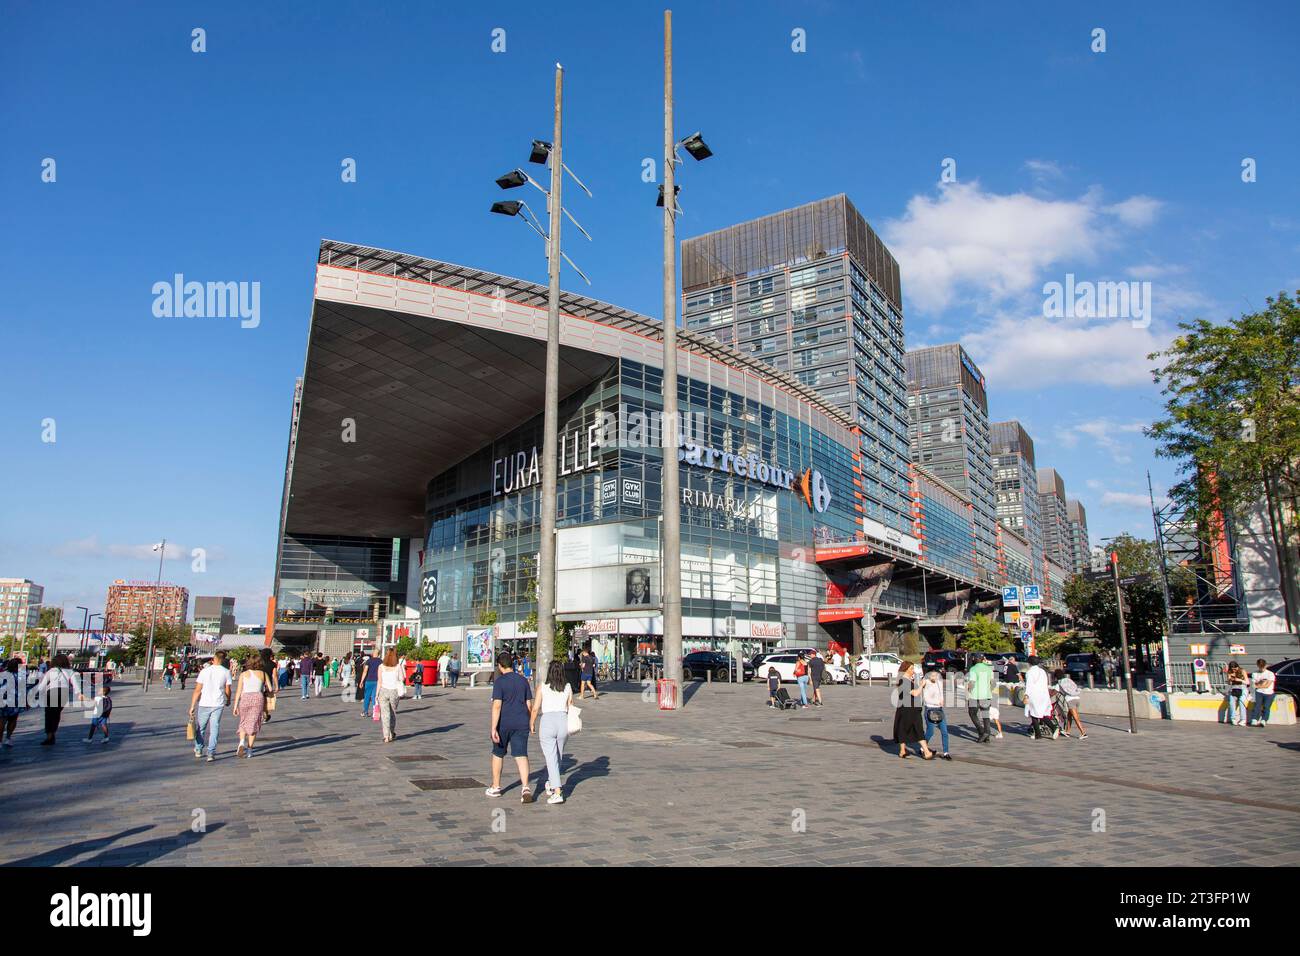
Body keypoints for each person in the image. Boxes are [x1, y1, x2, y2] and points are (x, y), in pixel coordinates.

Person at [486, 651, 534, 803]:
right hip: (521, 723)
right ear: (512, 664)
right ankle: (525, 787)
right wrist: (530, 721)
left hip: (504, 723)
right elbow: (529, 704)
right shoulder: (523, 681)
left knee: (498, 753)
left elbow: (497, 705)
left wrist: (493, 728)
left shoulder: (499, 682)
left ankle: (496, 786)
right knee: (521, 755)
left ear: (500, 666)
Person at [530, 658, 573, 804]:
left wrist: (532, 722)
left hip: (547, 722)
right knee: (558, 756)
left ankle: (558, 791)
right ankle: (551, 782)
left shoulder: (543, 686)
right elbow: (570, 705)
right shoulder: (567, 686)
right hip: (563, 721)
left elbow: (535, 707)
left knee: (551, 758)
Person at [189, 651, 232, 762]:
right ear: (223, 660)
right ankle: (211, 752)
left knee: (201, 728)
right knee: (215, 728)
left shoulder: (205, 671)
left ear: (214, 658)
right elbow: (228, 689)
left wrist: (192, 705)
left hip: (204, 703)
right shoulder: (226, 672)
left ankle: (198, 749)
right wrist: (228, 699)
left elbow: (197, 690)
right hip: (218, 703)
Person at [36, 655, 83, 746]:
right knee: (56, 714)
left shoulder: (51, 671)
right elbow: (75, 685)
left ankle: (49, 735)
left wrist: (37, 693)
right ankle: (53, 732)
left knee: (49, 714)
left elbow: (42, 685)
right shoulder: (70, 672)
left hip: (52, 693)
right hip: (64, 694)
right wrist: (79, 694)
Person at [233, 657, 272, 757]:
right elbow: (270, 688)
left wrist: (235, 705)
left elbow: (238, 691)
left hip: (245, 698)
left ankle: (241, 742)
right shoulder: (263, 674)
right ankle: (250, 749)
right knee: (254, 723)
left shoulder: (243, 674)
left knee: (244, 721)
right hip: (257, 698)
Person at [893, 661, 933, 759]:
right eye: (911, 668)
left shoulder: (908, 680)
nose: (913, 671)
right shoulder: (903, 680)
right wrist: (921, 685)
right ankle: (926, 752)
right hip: (907, 710)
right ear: (906, 669)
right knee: (914, 729)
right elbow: (915, 693)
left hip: (912, 709)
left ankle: (903, 751)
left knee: (909, 729)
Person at [964, 652, 995, 743]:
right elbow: (993, 682)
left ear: (976, 659)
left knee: (972, 713)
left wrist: (968, 690)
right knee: (985, 715)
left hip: (975, 696)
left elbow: (972, 683)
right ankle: (987, 734)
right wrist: (989, 690)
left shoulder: (973, 669)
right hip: (986, 695)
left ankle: (981, 731)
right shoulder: (989, 669)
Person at [1023, 656, 1057, 740]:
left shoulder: (1030, 672)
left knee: (1035, 714)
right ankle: (1041, 732)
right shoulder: (1042, 671)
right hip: (1044, 695)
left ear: (1029, 663)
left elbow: (1029, 685)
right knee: (1042, 713)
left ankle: (1051, 729)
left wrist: (1026, 695)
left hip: (1035, 696)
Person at [921, 668, 951, 760]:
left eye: (936, 675)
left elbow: (941, 693)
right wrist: (936, 702)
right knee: (930, 731)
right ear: (928, 675)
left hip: (939, 709)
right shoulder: (925, 682)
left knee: (945, 732)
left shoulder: (939, 682)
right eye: (932, 675)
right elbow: (925, 698)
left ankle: (946, 753)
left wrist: (942, 700)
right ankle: (923, 748)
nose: (935, 677)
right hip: (929, 709)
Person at [377, 649, 404, 742]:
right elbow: (402, 678)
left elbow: (379, 681)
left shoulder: (381, 666)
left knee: (385, 714)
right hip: (394, 691)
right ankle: (391, 732)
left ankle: (386, 736)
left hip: (383, 691)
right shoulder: (398, 667)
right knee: (393, 713)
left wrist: (376, 694)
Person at [1054, 668, 1087, 738]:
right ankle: (1067, 731)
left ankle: (1083, 733)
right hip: (1077, 698)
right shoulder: (1068, 680)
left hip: (1070, 701)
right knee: (1069, 716)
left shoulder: (1059, 684)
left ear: (1056, 677)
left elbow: (1054, 692)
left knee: (1076, 718)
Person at [1, 658, 23, 747]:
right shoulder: (20, 676)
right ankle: (8, 738)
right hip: (15, 700)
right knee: (13, 720)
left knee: (2, 720)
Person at [1250, 659, 1276, 727]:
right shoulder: (1255, 673)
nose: (1261, 668)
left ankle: (1264, 720)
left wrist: (1259, 685)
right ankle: (1254, 719)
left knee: (1266, 707)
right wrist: (1261, 684)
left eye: (1263, 667)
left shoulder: (1270, 674)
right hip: (1259, 692)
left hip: (1269, 693)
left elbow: (1267, 685)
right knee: (1257, 706)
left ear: (1265, 665)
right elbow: (1254, 685)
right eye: (1260, 667)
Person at [1225, 661, 1249, 726]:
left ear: (1237, 667)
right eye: (1232, 669)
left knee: (1241, 702)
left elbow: (1247, 682)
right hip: (1234, 688)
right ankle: (1233, 718)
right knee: (1231, 702)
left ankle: (1243, 720)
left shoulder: (1242, 671)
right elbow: (1229, 683)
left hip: (1242, 688)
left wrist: (1239, 680)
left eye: (1235, 669)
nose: (1234, 670)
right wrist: (1230, 680)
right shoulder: (1230, 672)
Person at [361, 650, 382, 718]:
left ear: (373, 654)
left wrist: (361, 681)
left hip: (369, 680)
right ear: (379, 654)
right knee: (374, 697)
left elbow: (365, 671)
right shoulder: (381, 661)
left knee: (367, 696)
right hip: (377, 681)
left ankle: (365, 711)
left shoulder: (369, 661)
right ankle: (375, 712)